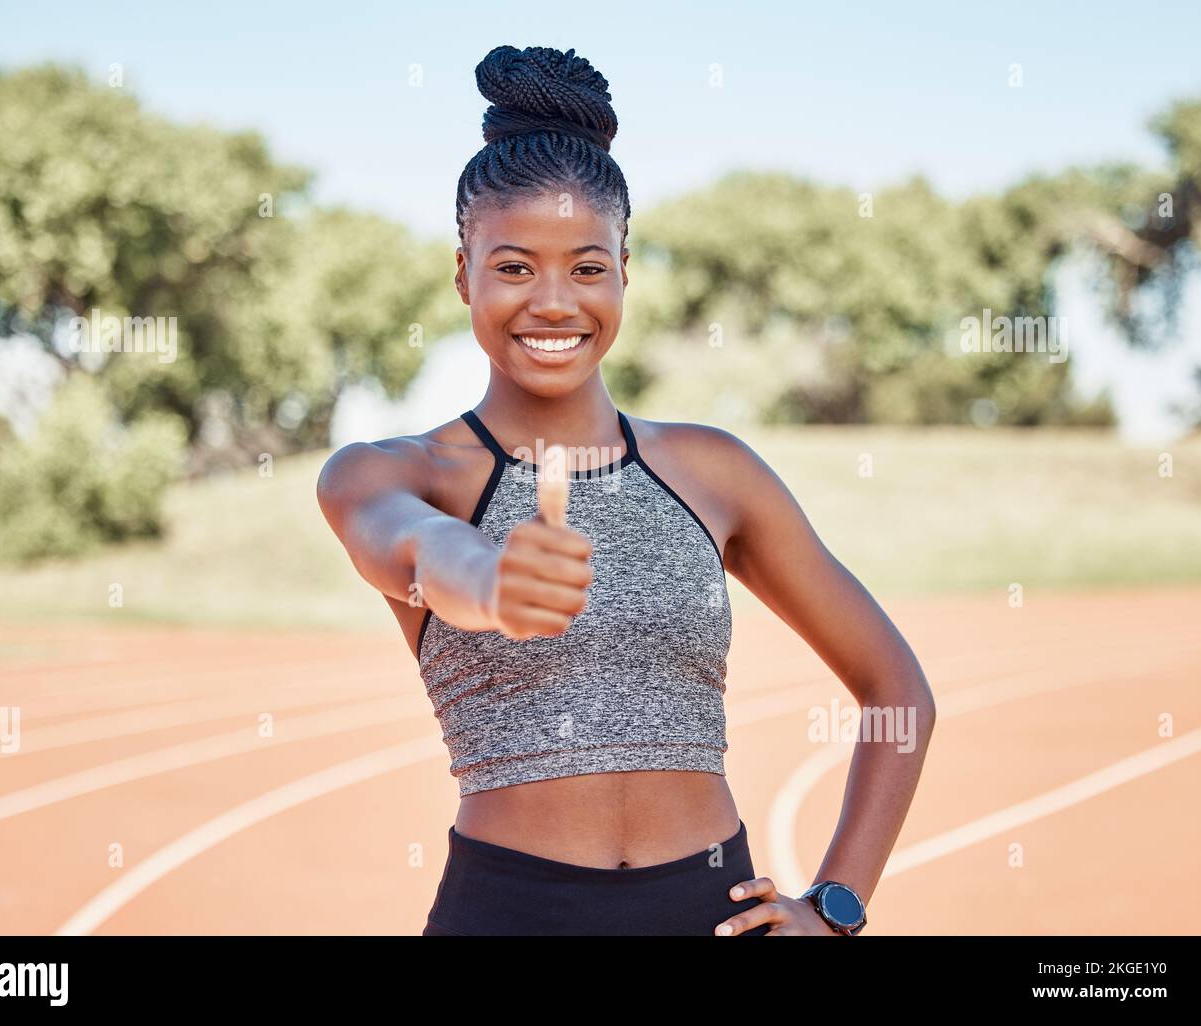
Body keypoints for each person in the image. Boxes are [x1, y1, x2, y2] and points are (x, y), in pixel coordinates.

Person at [317, 43, 935, 936]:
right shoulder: (397, 473)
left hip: (711, 911)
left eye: (587, 266)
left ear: (624, 270)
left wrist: (837, 907)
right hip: (509, 913)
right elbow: (409, 548)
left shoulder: (714, 472)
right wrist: (489, 582)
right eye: (514, 266)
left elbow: (896, 688)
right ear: (464, 275)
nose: (555, 303)